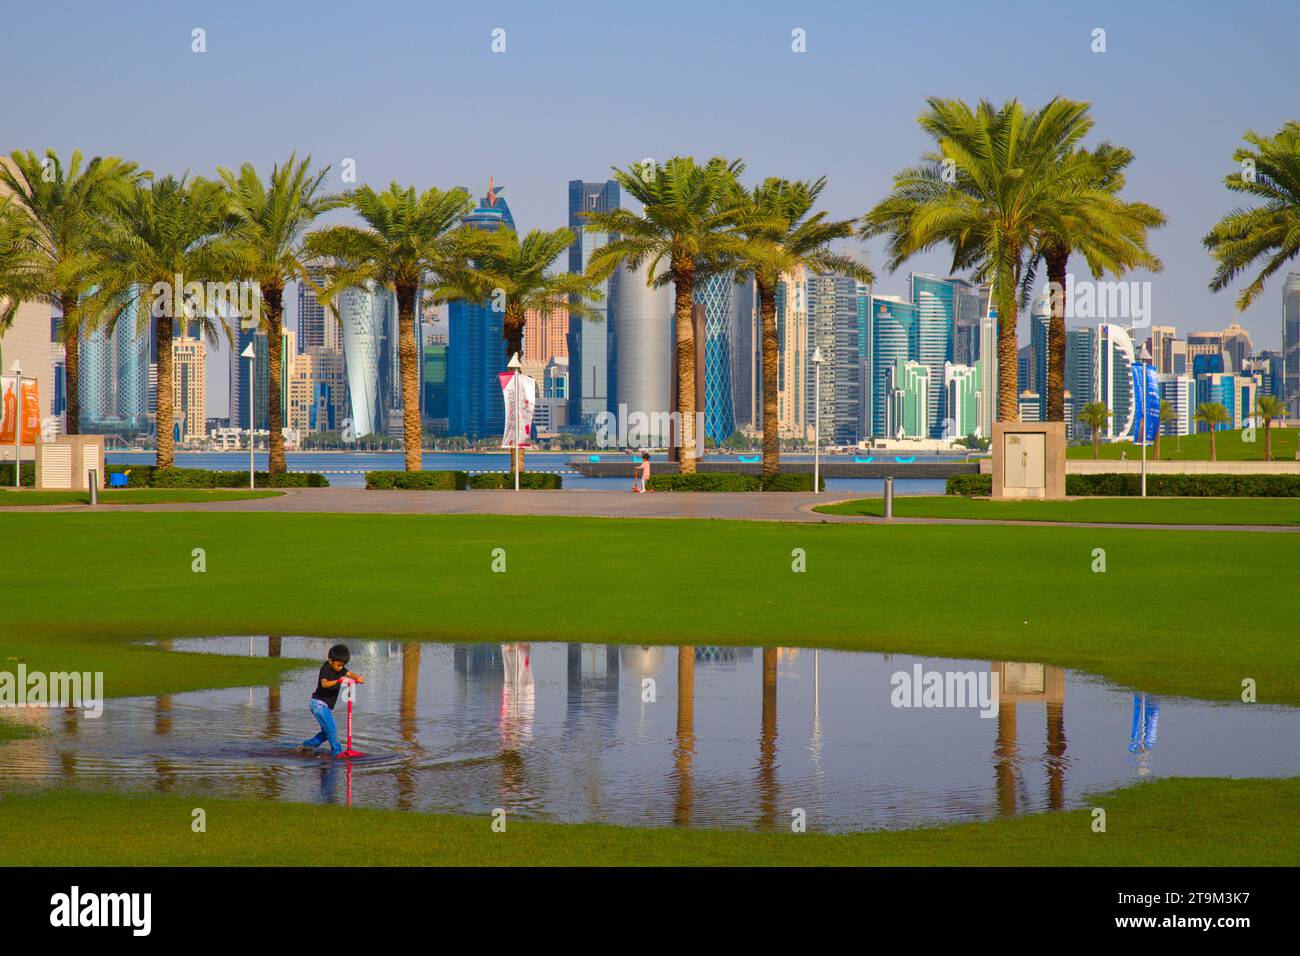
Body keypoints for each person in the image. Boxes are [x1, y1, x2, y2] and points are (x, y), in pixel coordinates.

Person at [301, 644, 365, 757]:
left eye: (343, 665)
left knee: (326, 733)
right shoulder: (325, 669)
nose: (341, 668)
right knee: (332, 729)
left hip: (326, 706)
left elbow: (350, 674)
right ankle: (337, 753)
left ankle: (306, 746)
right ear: (330, 660)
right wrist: (338, 681)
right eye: (339, 665)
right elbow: (324, 684)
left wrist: (358, 678)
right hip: (318, 704)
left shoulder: (341, 669)